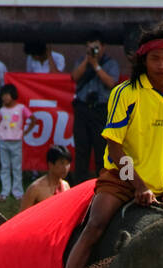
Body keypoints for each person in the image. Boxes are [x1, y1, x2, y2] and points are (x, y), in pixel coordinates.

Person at [40, 20, 163, 268]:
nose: (161, 65)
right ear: (143, 60)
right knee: (95, 226)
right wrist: (139, 185)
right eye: (155, 58)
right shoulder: (125, 92)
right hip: (122, 175)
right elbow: (114, 148)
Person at [69, 32, 120, 183]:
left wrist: (96, 65)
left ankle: (102, 182)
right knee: (81, 148)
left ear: (104, 47)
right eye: (90, 47)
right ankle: (79, 183)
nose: (93, 50)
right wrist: (88, 60)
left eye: (96, 47)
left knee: (101, 148)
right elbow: (74, 77)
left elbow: (111, 83)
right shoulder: (81, 61)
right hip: (83, 108)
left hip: (101, 109)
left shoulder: (111, 63)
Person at [0, 84, 35, 201]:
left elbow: (32, 118)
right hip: (3, 141)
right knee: (5, 166)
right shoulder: (2, 110)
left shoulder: (21, 108)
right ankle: (5, 191)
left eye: (7, 95)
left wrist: (25, 131)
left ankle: (18, 192)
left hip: (16, 141)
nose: (5, 98)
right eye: (3, 95)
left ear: (13, 95)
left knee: (16, 167)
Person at [19, 145, 71, 211]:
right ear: (50, 164)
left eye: (68, 164)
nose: (65, 168)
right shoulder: (35, 189)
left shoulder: (66, 186)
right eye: (62, 163)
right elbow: (22, 216)